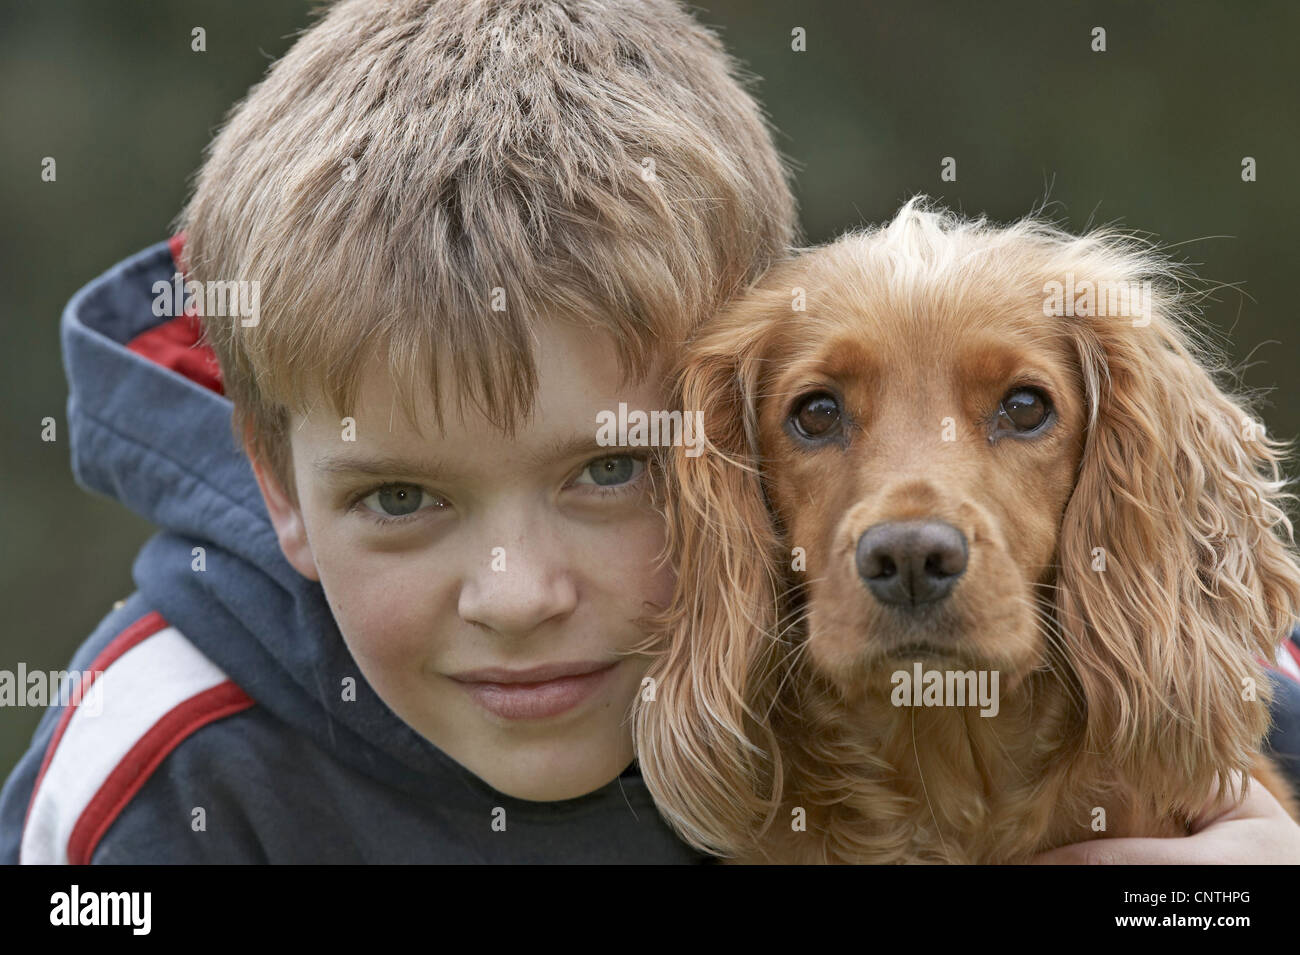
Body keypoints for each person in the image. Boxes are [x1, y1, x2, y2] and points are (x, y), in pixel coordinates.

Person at [2, 0, 1297, 863]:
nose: (517, 597)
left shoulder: (1233, 683)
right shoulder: (171, 771)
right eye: (402, 497)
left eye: (613, 469)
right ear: (275, 479)